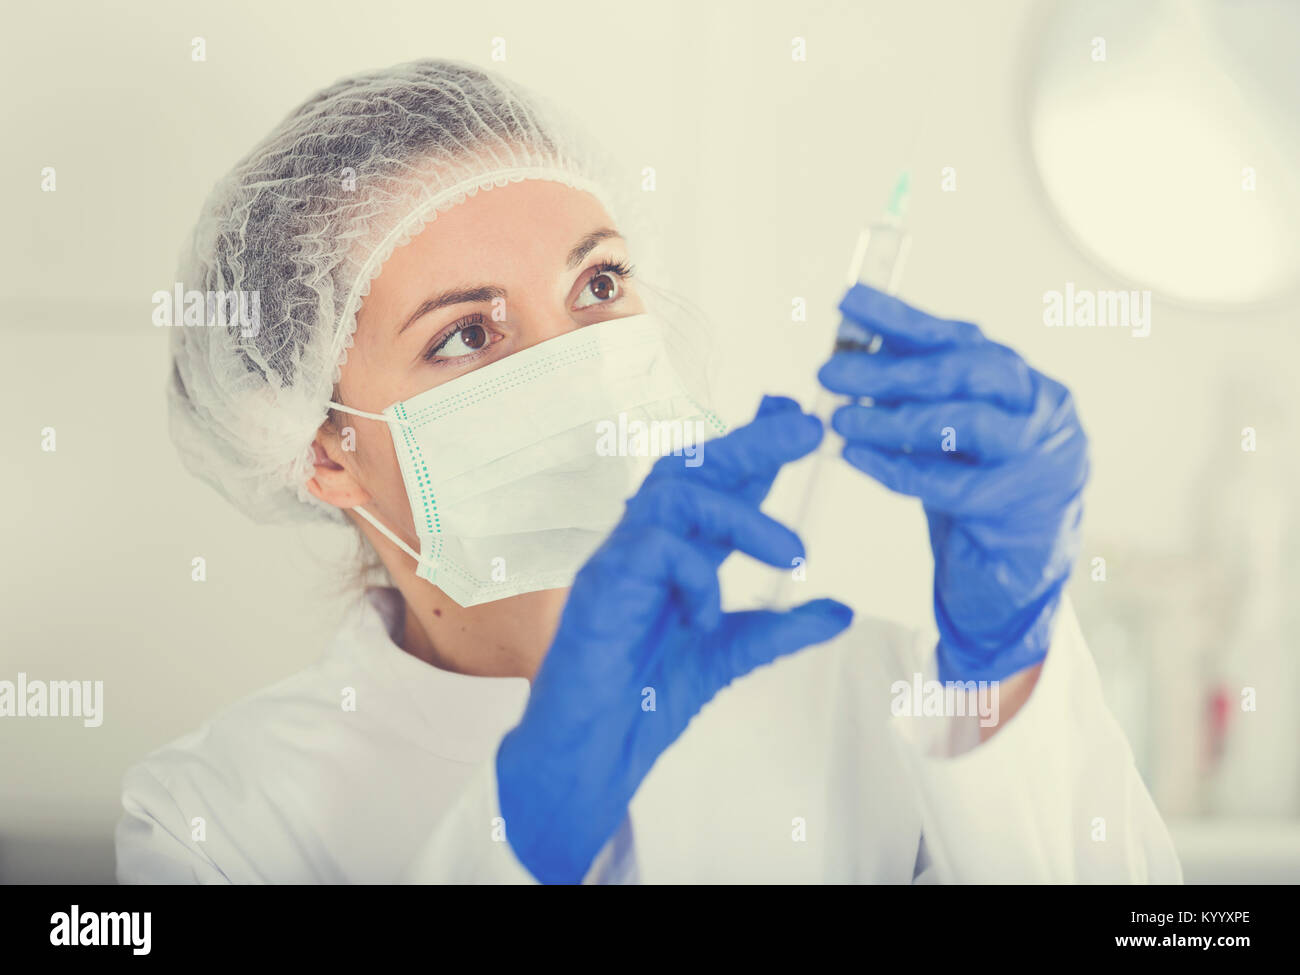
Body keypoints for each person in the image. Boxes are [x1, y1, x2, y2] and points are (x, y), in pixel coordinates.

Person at [116, 58, 1182, 884]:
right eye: (465, 335)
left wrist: (1003, 670)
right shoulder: (222, 814)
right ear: (321, 450)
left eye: (597, 284)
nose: (573, 361)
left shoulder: (882, 698)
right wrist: (526, 837)